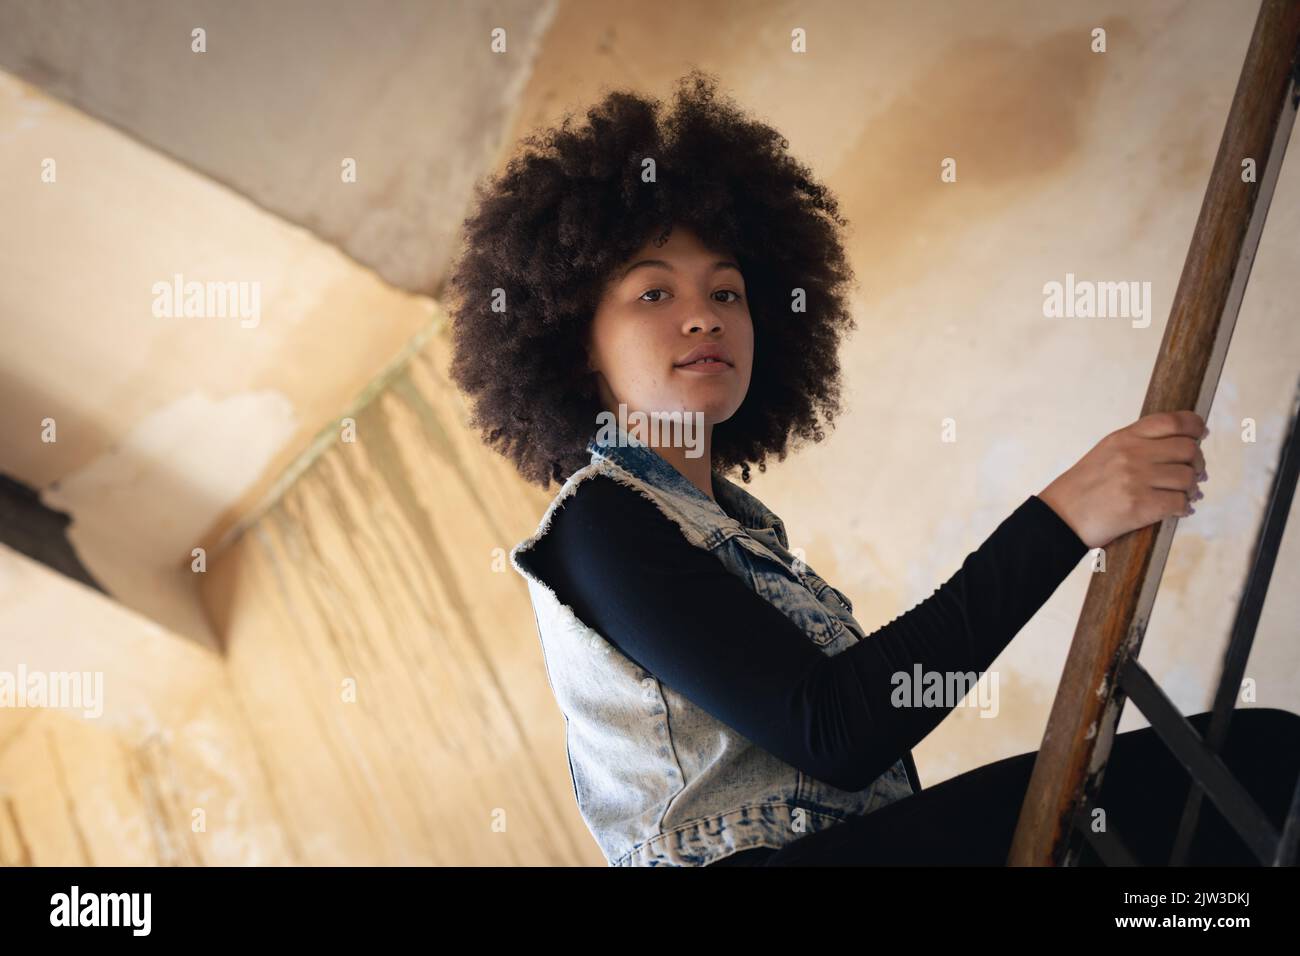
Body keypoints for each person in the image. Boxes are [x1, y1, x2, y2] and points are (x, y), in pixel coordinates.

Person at [444, 70, 1293, 866]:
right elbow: (838, 732)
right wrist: (1065, 518)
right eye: (655, 294)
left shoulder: (749, 539)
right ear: (574, 343)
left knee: (1229, 817)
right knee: (1256, 762)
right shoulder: (598, 524)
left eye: (728, 292)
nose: (704, 317)